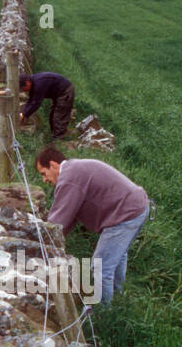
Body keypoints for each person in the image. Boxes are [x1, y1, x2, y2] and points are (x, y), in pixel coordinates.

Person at [34, 146, 149, 305]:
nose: (44, 180)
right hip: (135, 207)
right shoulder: (75, 170)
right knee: (116, 257)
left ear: (53, 165)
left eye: (43, 173)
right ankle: (118, 301)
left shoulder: (69, 178)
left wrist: (39, 243)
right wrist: (55, 240)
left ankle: (104, 312)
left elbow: (57, 221)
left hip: (125, 214)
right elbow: (70, 215)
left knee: (101, 266)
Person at [19, 72, 74, 140]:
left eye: (23, 88)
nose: (23, 91)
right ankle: (55, 137)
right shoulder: (33, 83)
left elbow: (36, 103)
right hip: (57, 95)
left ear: (27, 82)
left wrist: (24, 115)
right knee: (52, 116)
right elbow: (30, 100)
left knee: (59, 117)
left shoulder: (39, 83)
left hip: (65, 92)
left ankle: (59, 142)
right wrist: (23, 114)